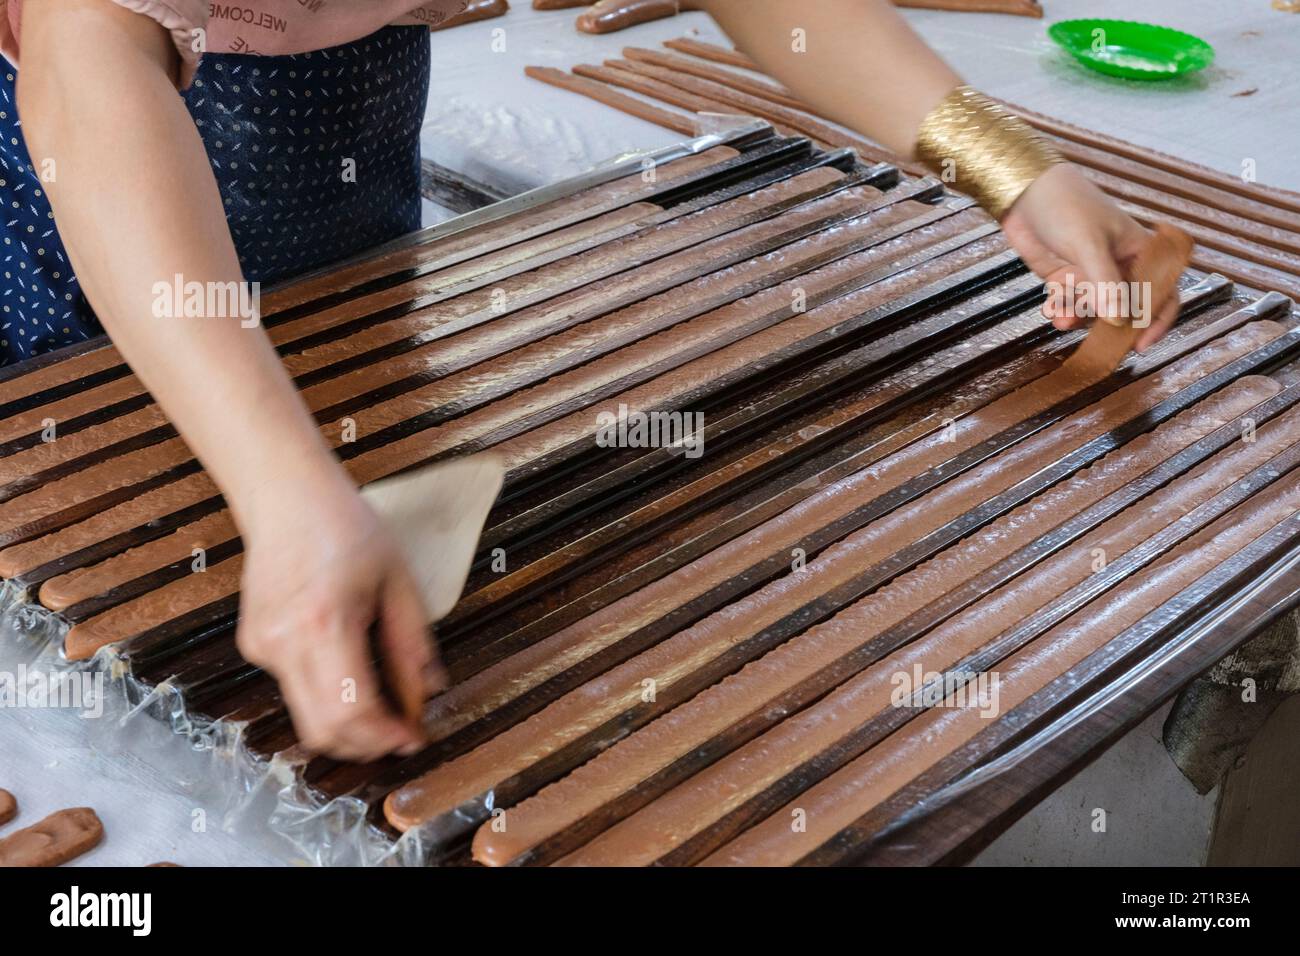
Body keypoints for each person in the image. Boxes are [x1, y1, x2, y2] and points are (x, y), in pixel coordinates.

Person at [6, 0, 1181, 761]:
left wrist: (1014, 170)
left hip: (352, 258)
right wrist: (276, 485)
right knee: (118, 652)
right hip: (108, 254)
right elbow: (82, 59)